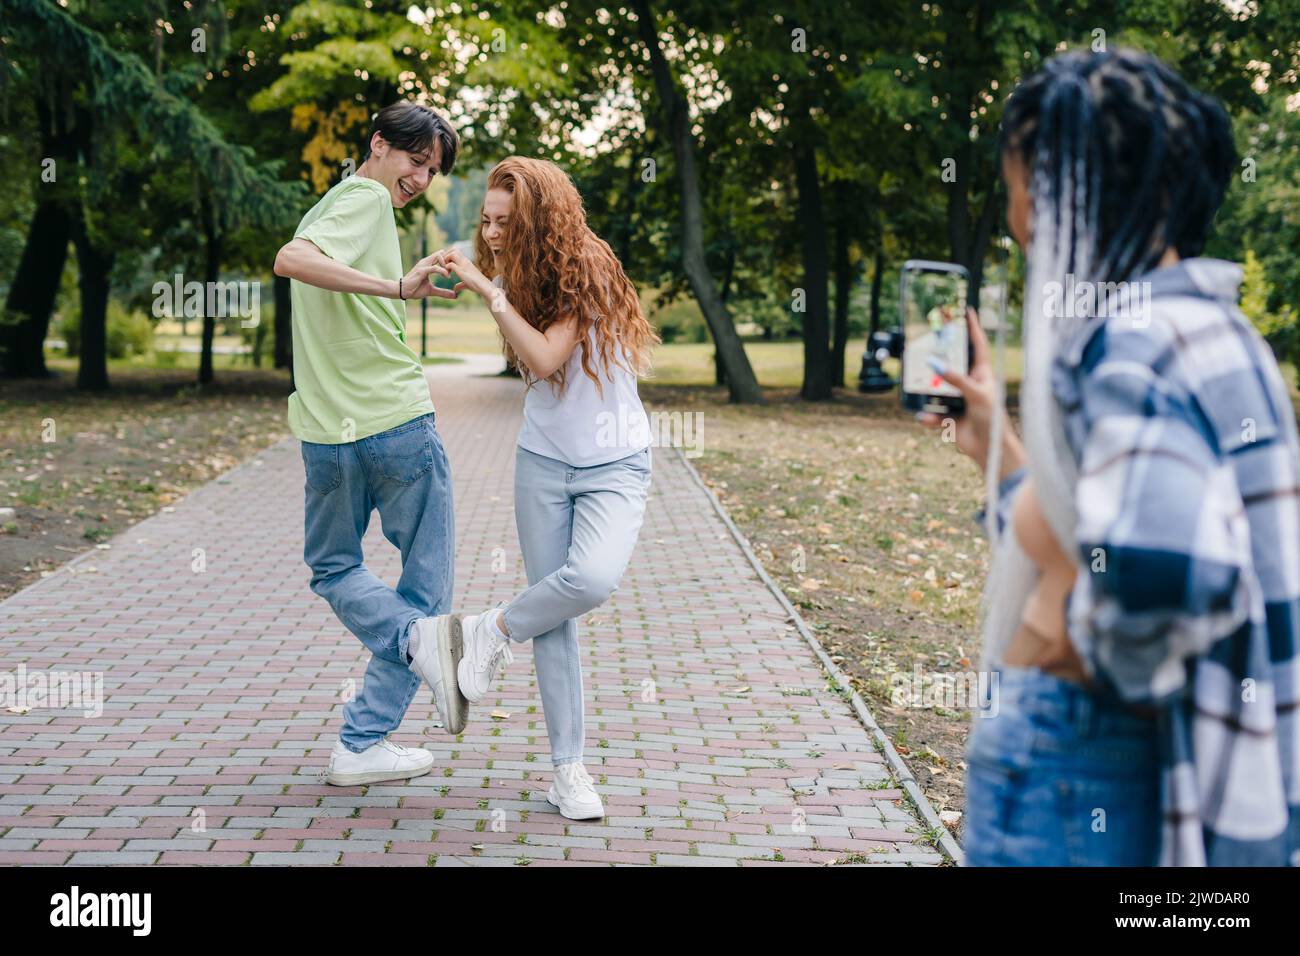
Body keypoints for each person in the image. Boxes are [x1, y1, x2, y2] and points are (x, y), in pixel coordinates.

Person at [922, 48, 1300, 865]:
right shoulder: (1216, 335)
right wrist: (999, 447)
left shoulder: (1126, 348)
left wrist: (1056, 637)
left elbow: (1163, 566)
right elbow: (1095, 537)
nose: (1020, 216)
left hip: (1078, 760)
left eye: (1025, 183)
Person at [428, 156, 659, 820]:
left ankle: (488, 629)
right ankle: (568, 771)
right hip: (543, 462)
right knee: (554, 622)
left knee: (588, 580)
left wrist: (486, 289)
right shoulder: (516, 274)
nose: (494, 234)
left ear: (541, 217)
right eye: (487, 221)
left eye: (507, 222)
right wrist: (433, 280)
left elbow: (546, 357)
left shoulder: (586, 263)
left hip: (614, 462)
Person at [272, 102, 472, 787]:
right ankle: (384, 704)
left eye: (432, 170)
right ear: (379, 143)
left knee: (332, 567)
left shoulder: (338, 207)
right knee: (426, 586)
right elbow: (291, 260)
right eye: (416, 161)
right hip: (394, 426)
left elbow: (323, 271)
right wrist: (392, 284)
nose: (421, 178)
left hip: (329, 436)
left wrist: (402, 291)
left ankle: (366, 738)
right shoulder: (363, 200)